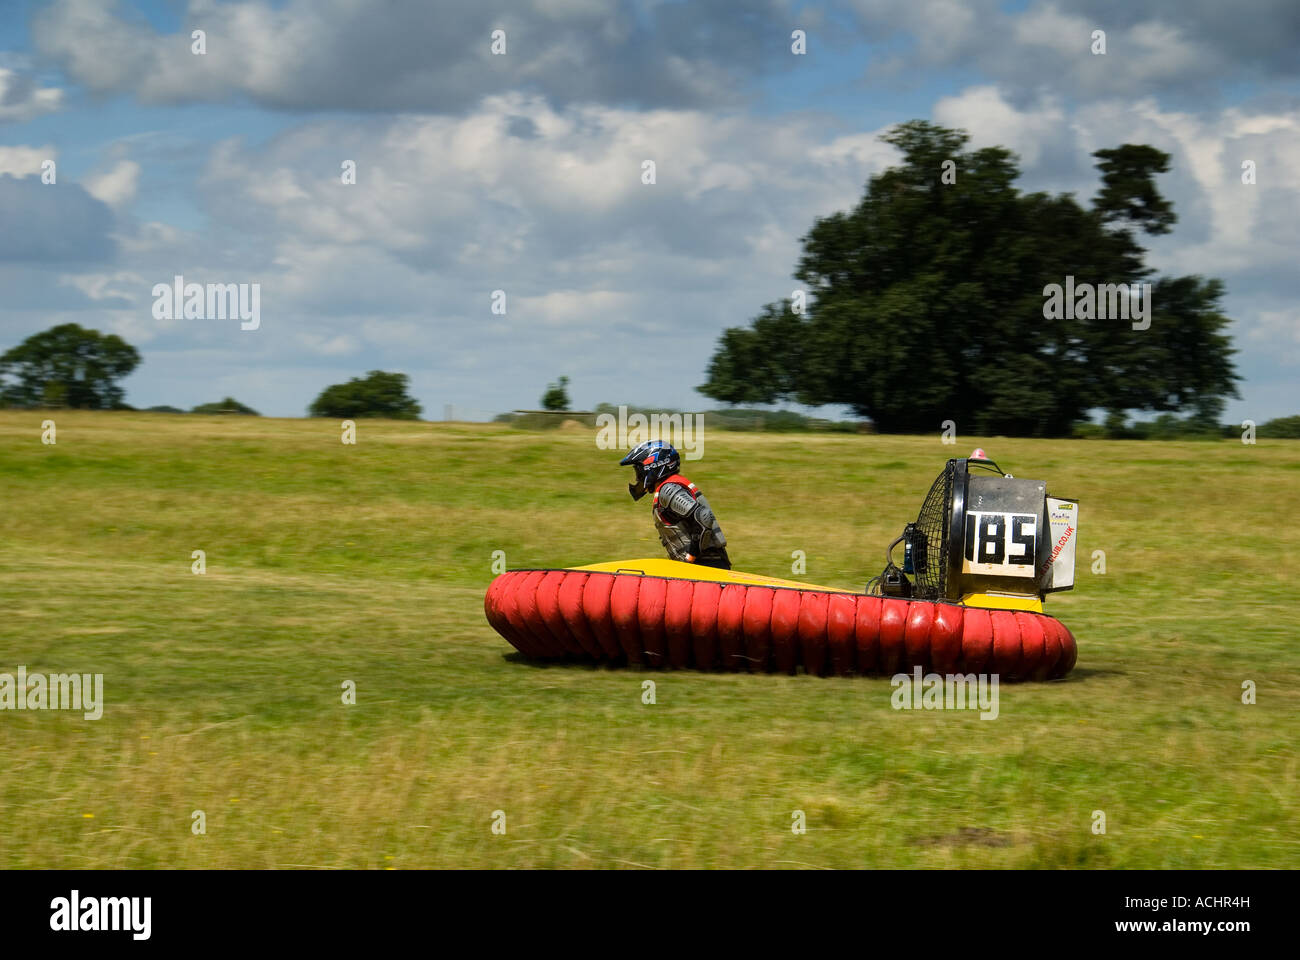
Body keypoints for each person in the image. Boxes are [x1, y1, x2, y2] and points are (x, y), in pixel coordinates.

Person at [619, 440, 731, 569]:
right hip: (706, 565)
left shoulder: (668, 490)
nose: (638, 477)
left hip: (705, 566)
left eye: (639, 471)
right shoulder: (670, 487)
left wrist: (690, 558)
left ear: (653, 466)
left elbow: (704, 517)